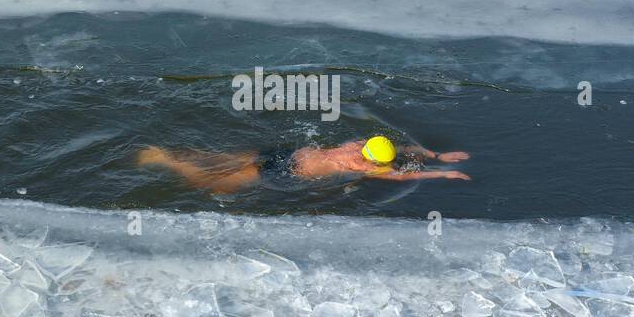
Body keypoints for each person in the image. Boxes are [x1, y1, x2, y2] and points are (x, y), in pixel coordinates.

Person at [136, 135, 469, 193]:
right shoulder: (366, 167)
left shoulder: (360, 145)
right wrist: (443, 170)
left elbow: (400, 146)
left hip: (286, 153)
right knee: (213, 184)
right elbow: (399, 177)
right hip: (284, 172)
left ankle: (174, 153)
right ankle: (164, 160)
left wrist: (436, 154)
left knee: (226, 160)